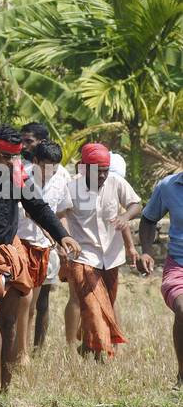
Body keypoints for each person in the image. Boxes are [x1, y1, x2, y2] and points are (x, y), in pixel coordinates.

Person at [0, 124, 80, 393]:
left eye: (13, 156)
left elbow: (37, 206)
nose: (8, 161)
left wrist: (62, 235)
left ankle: (4, 386)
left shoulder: (17, 174)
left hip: (10, 251)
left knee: (8, 323)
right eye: (3, 155)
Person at [57, 142, 141, 359]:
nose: (103, 175)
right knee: (92, 305)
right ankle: (100, 353)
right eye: (98, 171)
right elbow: (62, 214)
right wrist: (65, 240)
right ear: (85, 167)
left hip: (112, 255)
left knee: (108, 303)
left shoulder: (116, 182)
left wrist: (125, 217)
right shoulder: (72, 187)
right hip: (83, 254)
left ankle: (88, 345)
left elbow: (136, 204)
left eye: (105, 170)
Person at [14, 139, 70, 363]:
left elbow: (61, 213)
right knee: (20, 302)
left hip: (42, 249)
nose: (50, 171)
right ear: (35, 161)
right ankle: (17, 351)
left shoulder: (61, 179)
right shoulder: (20, 177)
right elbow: (28, 212)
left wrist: (64, 238)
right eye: (46, 166)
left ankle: (22, 352)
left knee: (31, 305)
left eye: (54, 167)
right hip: (19, 245)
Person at [137, 168, 183, 386]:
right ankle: (182, 375)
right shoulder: (168, 186)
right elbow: (148, 219)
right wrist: (145, 251)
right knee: (182, 309)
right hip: (178, 265)